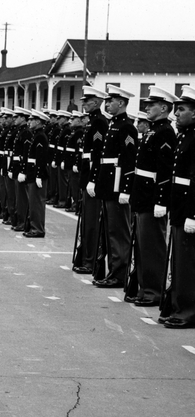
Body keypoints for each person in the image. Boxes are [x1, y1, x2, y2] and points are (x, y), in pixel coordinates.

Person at [126, 87, 176, 306]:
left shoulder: (165, 132)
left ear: (164, 108)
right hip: (143, 196)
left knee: (152, 247)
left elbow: (164, 171)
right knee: (142, 246)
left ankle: (153, 292)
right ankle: (144, 289)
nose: (146, 107)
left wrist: (161, 201)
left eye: (151, 105)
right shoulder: (153, 131)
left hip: (151, 198)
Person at [88, 85, 138, 288]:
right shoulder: (113, 125)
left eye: (111, 101)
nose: (107, 104)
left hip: (117, 186)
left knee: (118, 232)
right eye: (106, 101)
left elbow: (128, 159)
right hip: (108, 185)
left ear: (122, 103)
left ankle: (119, 274)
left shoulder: (126, 127)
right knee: (110, 231)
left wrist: (126, 189)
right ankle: (113, 271)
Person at [161, 86, 195, 328]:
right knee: (178, 262)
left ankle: (187, 312)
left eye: (181, 109)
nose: (176, 114)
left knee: (186, 263)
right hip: (179, 206)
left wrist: (192, 214)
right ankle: (176, 306)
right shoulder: (184, 136)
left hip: (188, 209)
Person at [72, 86, 109, 274]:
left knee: (92, 221)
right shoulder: (91, 122)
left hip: (92, 175)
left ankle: (90, 260)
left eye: (87, 101)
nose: (84, 104)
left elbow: (97, 152)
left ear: (96, 102)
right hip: (86, 173)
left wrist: (93, 179)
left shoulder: (99, 123)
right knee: (87, 219)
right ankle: (85, 256)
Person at [19, 109, 50, 237]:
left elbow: (41, 158)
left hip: (38, 175)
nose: (29, 122)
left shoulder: (41, 136)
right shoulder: (36, 135)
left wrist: (38, 175)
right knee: (33, 203)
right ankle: (33, 227)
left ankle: (38, 229)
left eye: (32, 120)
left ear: (38, 122)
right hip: (33, 174)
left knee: (37, 203)